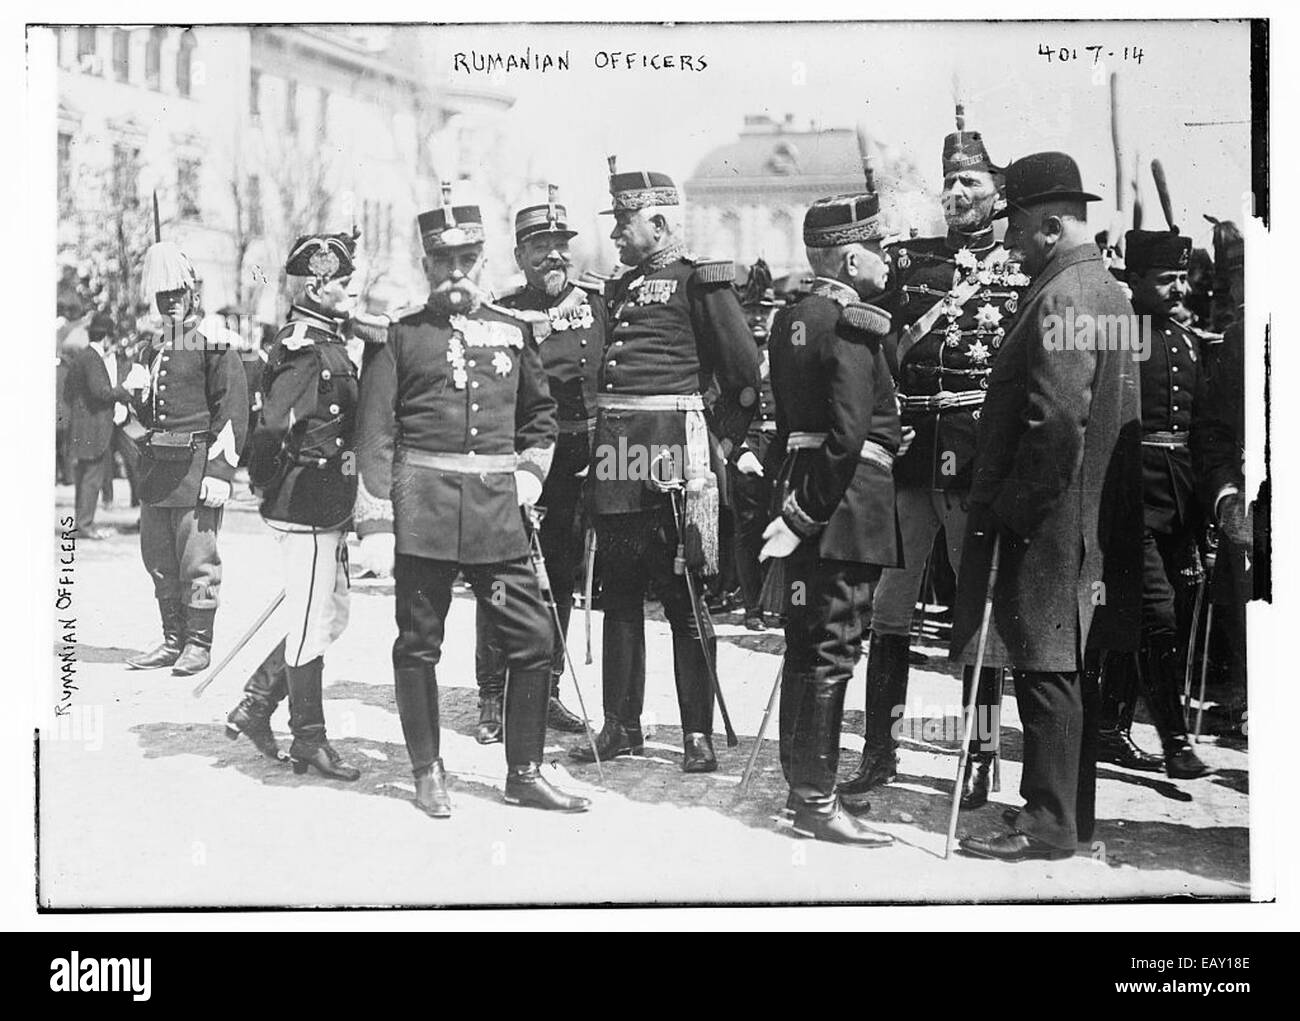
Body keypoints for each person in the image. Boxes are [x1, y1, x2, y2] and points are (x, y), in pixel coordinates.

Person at [353, 186, 590, 818]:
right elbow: (375, 433)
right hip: (424, 513)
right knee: (418, 644)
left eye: (466, 260)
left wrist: (532, 473)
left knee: (534, 638)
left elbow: (541, 416)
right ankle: (428, 770)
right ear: (426, 264)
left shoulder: (514, 331)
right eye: (443, 262)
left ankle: (525, 771)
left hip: (495, 516)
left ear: (483, 261)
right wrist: (376, 520)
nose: (455, 273)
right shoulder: (400, 335)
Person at [954, 152, 1143, 862]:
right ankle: (1068, 813)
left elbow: (1058, 420)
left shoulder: (1064, 295)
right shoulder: (1108, 292)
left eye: (1017, 228)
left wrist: (1011, 508)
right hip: (1089, 510)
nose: (1007, 242)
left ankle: (1050, 824)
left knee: (1044, 664)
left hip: (1052, 513)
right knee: (1064, 663)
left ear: (1050, 224)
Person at [840, 106, 1029, 811]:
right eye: (949, 181)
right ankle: (879, 749)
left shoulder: (1019, 269)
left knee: (976, 614)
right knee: (889, 607)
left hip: (978, 457)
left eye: (971, 181)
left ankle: (979, 754)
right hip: (914, 454)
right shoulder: (914, 261)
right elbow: (873, 334)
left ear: (999, 193)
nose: (957, 194)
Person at [569, 160, 760, 773]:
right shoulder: (618, 289)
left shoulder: (700, 281)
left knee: (684, 596)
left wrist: (716, 444)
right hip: (617, 459)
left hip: (674, 457)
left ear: (656, 220)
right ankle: (621, 725)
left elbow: (744, 376)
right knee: (619, 594)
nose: (618, 234)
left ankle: (696, 734)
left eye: (624, 222)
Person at [760, 185, 901, 847]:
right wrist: (809, 513)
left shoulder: (790, 319)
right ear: (848, 259)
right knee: (835, 646)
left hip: (803, 492)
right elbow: (848, 437)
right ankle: (816, 800)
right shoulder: (851, 322)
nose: (885, 259)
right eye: (875, 248)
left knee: (804, 642)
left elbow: (791, 426)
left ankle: (801, 787)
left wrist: (791, 509)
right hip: (842, 507)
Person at [224, 232, 366, 781]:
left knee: (332, 616)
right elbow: (272, 425)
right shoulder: (304, 345)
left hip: (328, 503)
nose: (352, 291)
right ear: (318, 284)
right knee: (312, 621)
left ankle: (256, 705)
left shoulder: (329, 338)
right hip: (305, 502)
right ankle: (309, 739)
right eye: (345, 283)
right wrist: (265, 484)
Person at [472, 187, 602, 743]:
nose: (553, 256)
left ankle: (545, 689)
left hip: (578, 461)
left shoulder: (597, 304)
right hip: (520, 457)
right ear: (520, 255)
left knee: (561, 575)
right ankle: (492, 697)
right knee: (503, 575)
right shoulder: (503, 313)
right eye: (540, 247)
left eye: (560, 246)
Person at [1093, 229, 1213, 778]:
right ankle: (1176, 742)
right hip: (1129, 492)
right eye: (1165, 279)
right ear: (1134, 280)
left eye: (1181, 278)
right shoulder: (1117, 334)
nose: (1178, 288)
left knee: (1151, 617)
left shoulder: (1188, 341)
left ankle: (1110, 728)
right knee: (1155, 613)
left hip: (1179, 496)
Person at [125, 242, 248, 675]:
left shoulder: (213, 345)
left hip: (196, 470)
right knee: (158, 561)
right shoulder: (149, 351)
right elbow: (143, 420)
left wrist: (220, 472)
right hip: (158, 472)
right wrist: (133, 400)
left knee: (198, 563)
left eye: (177, 295)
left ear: (193, 295)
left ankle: (198, 642)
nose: (170, 304)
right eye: (163, 298)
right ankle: (172, 639)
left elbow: (233, 411)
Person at [63, 311, 147, 539]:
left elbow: (69, 392)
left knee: (86, 477)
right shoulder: (93, 358)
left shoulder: (81, 357)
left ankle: (82, 522)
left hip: (85, 425)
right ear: (108, 337)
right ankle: (85, 525)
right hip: (95, 426)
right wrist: (127, 390)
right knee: (91, 478)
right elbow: (101, 392)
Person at [731, 260, 781, 631]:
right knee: (748, 526)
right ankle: (752, 607)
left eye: (765, 311)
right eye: (751, 311)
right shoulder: (732, 355)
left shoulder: (785, 350)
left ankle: (778, 600)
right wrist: (737, 450)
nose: (758, 319)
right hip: (747, 445)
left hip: (779, 445)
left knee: (778, 522)